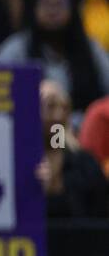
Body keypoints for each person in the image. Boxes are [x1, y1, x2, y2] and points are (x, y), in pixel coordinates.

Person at [37, 79, 109, 217]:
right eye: (50, 106)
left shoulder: (84, 164)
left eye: (64, 107)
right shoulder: (18, 163)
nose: (58, 115)